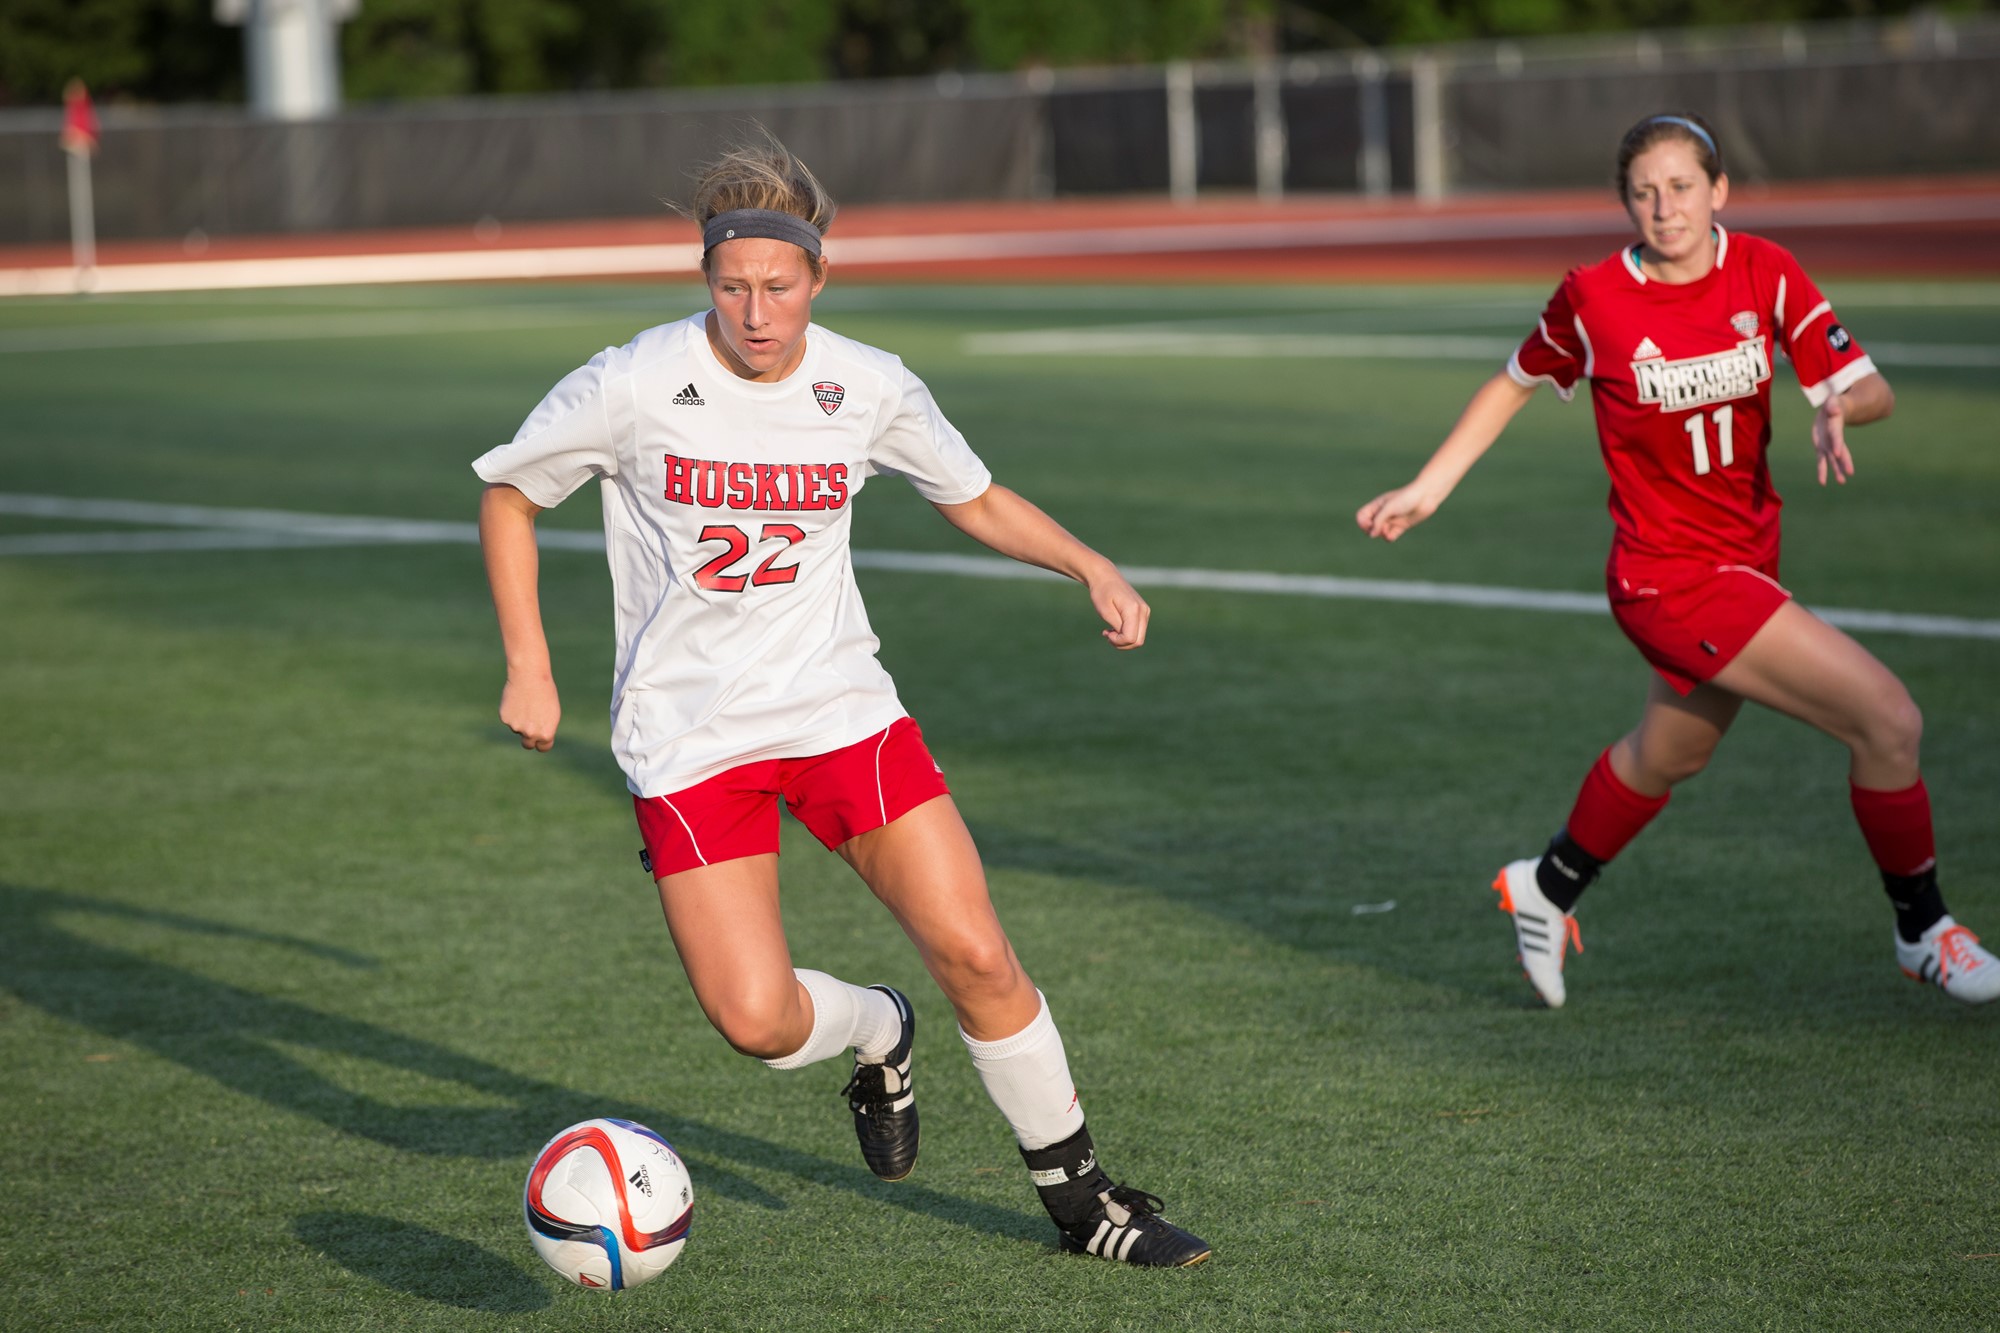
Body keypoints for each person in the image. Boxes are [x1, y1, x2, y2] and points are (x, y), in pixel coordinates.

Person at [473, 132, 1210, 1265]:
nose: (754, 312)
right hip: (688, 741)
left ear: (818, 277)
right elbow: (512, 495)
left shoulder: (864, 385)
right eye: (731, 287)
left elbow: (972, 496)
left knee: (975, 949)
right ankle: (879, 1031)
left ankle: (1085, 1201)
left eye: (777, 287)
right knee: (754, 1021)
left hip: (837, 711)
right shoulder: (632, 380)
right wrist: (529, 659)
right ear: (704, 279)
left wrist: (1091, 566)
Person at [1355, 112, 1998, 1009]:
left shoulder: (1764, 271)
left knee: (1670, 754)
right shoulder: (1592, 296)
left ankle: (1548, 883)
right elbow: (1514, 380)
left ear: (1719, 191)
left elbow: (1869, 383)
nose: (1665, 208)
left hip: (1747, 561)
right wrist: (1430, 486)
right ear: (1626, 203)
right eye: (1645, 192)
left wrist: (1845, 407)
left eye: (1683, 187)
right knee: (1887, 719)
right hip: (1666, 578)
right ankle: (1924, 930)